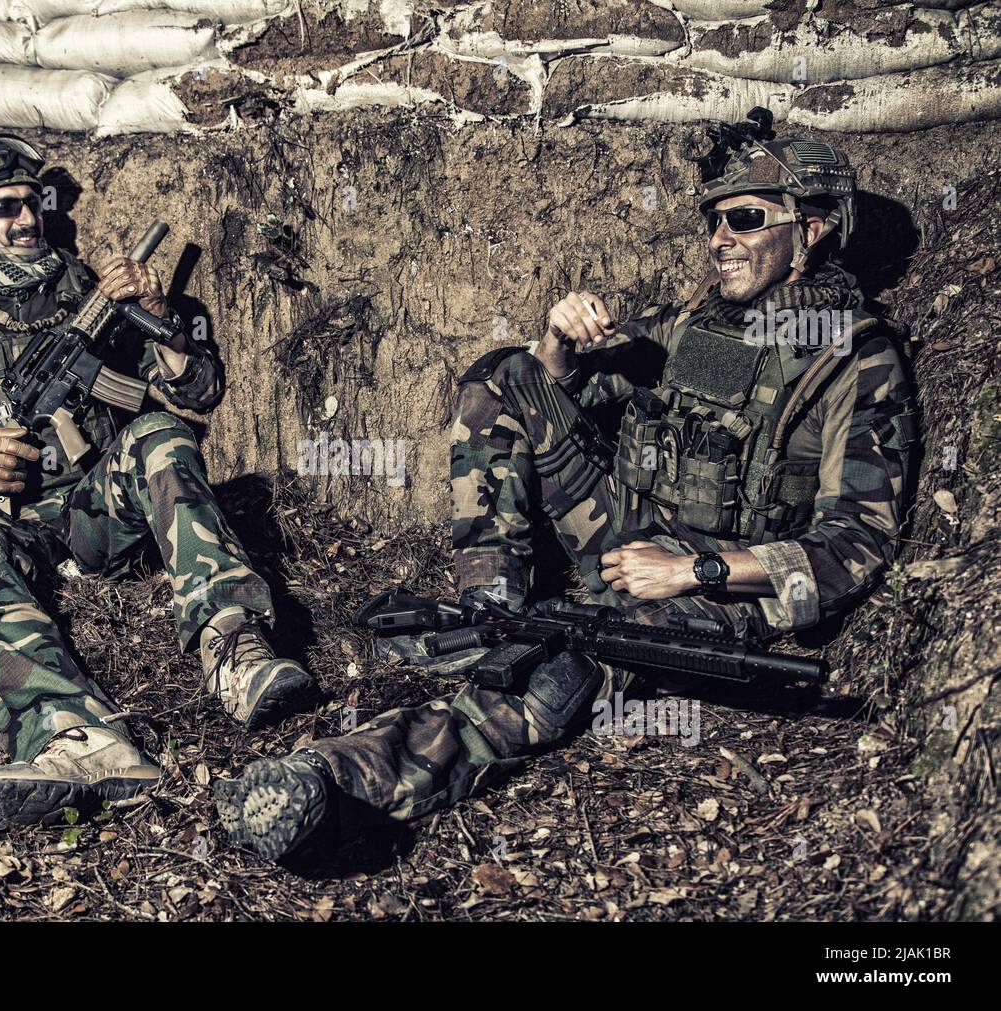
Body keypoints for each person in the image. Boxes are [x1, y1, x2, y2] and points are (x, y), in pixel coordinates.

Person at [214, 114, 917, 861]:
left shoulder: (856, 359)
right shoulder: (697, 325)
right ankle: (494, 609)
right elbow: (568, 388)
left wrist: (691, 572)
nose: (720, 238)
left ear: (809, 232)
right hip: (629, 534)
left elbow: (855, 545)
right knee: (503, 374)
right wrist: (557, 342)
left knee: (562, 669)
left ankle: (335, 777)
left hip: (718, 589)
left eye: (745, 219)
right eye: (715, 220)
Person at [0, 134, 315, 830]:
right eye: (2, 207)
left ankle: (235, 644)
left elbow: (201, 390)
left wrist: (161, 317)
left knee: (163, 434)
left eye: (31, 204)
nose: (25, 220)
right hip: (3, 521)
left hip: (93, 507)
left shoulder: (85, 292)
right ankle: (77, 739)